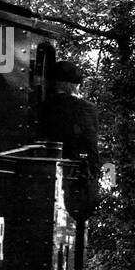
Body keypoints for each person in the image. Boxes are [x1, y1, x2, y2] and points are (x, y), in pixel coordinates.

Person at [39, 59, 101, 220]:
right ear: (72, 85)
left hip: (47, 170)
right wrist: (94, 176)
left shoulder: (43, 106)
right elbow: (90, 145)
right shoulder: (86, 109)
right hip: (74, 176)